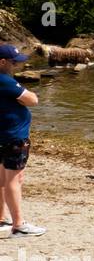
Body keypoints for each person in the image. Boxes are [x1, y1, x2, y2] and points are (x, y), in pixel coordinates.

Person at [0, 45, 44, 239]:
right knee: (14, 179)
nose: (17, 65)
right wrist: (24, 99)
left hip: (2, 135)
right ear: (2, 62)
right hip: (13, 136)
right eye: (14, 62)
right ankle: (18, 225)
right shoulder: (4, 81)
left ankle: (1, 218)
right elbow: (32, 100)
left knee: (2, 179)